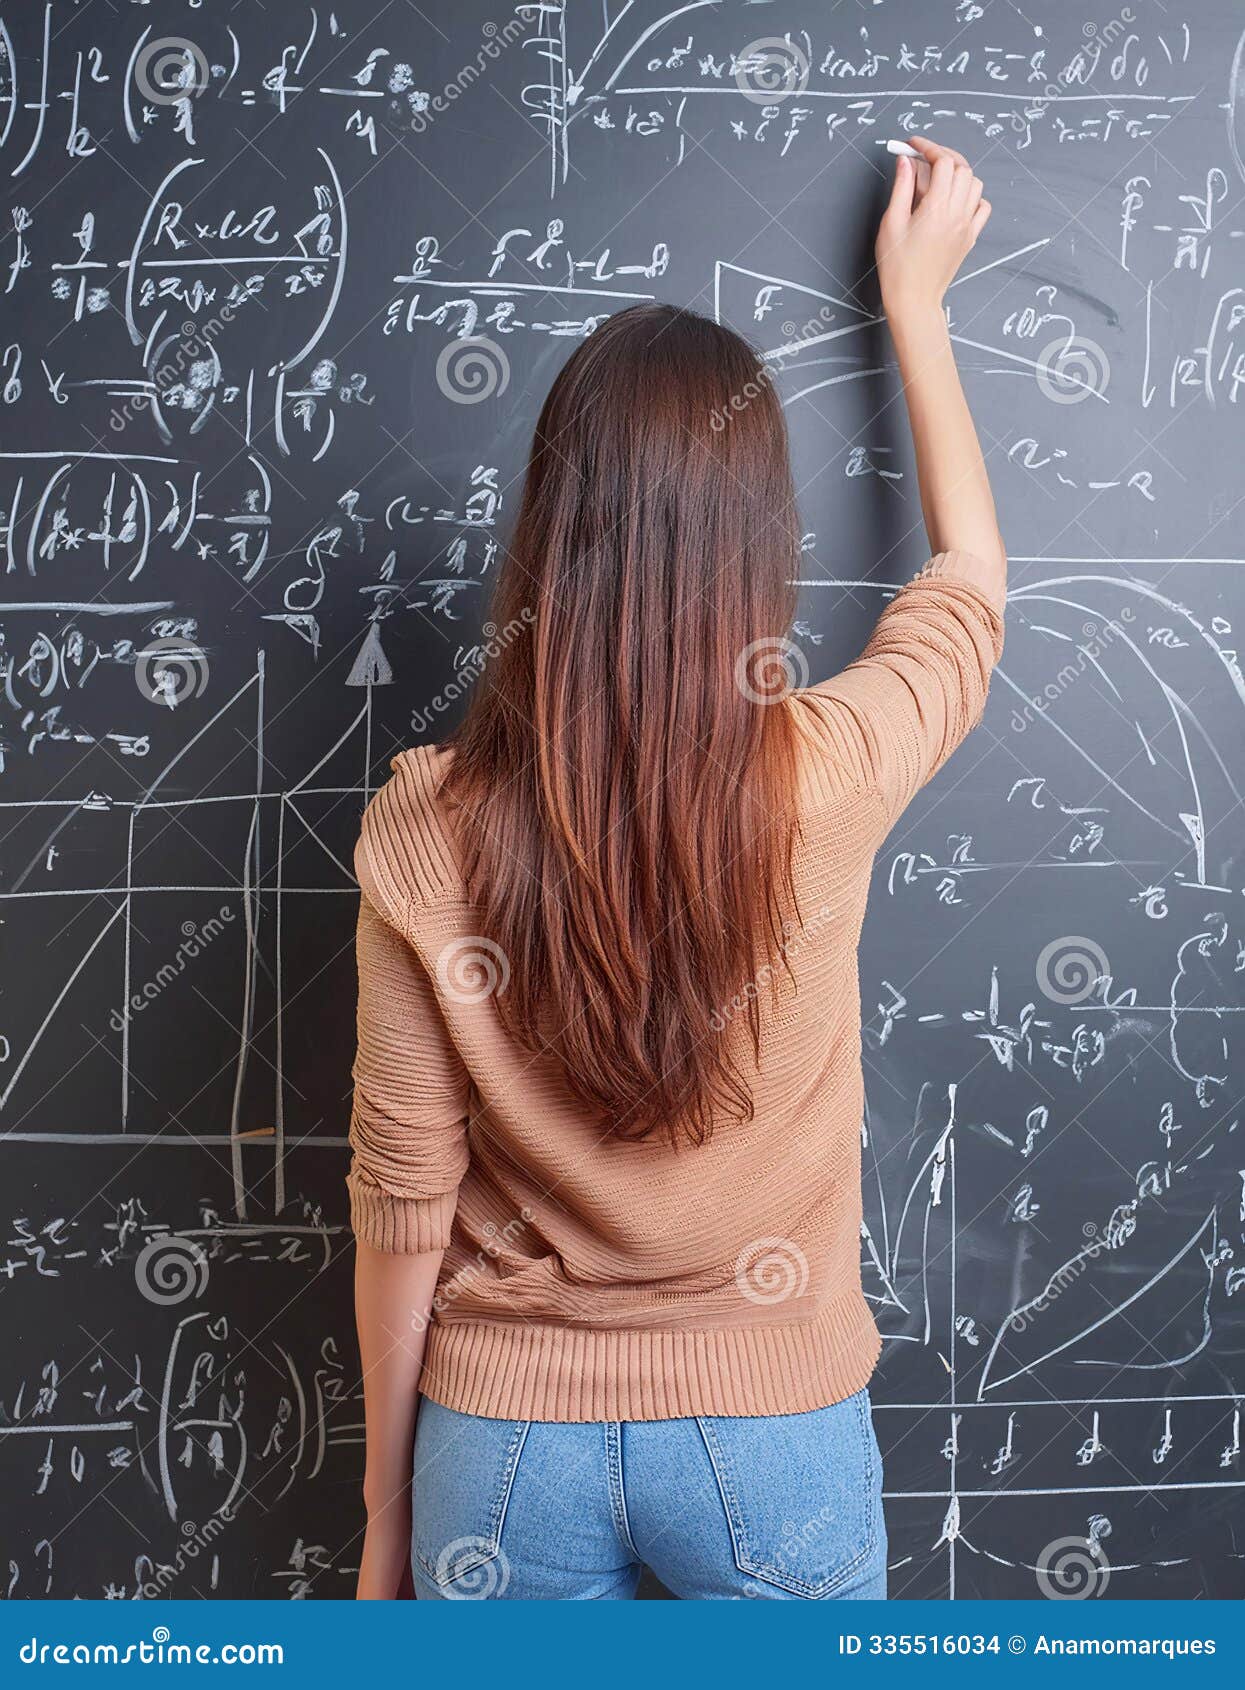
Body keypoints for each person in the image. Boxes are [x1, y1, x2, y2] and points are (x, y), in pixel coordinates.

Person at [350, 136, 1004, 1601]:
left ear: (547, 537)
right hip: (774, 1431)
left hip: (503, 1453)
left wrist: (389, 1518)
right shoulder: (824, 772)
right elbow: (965, 593)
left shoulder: (425, 828)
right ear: (754, 546)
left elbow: (402, 1208)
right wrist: (915, 304)